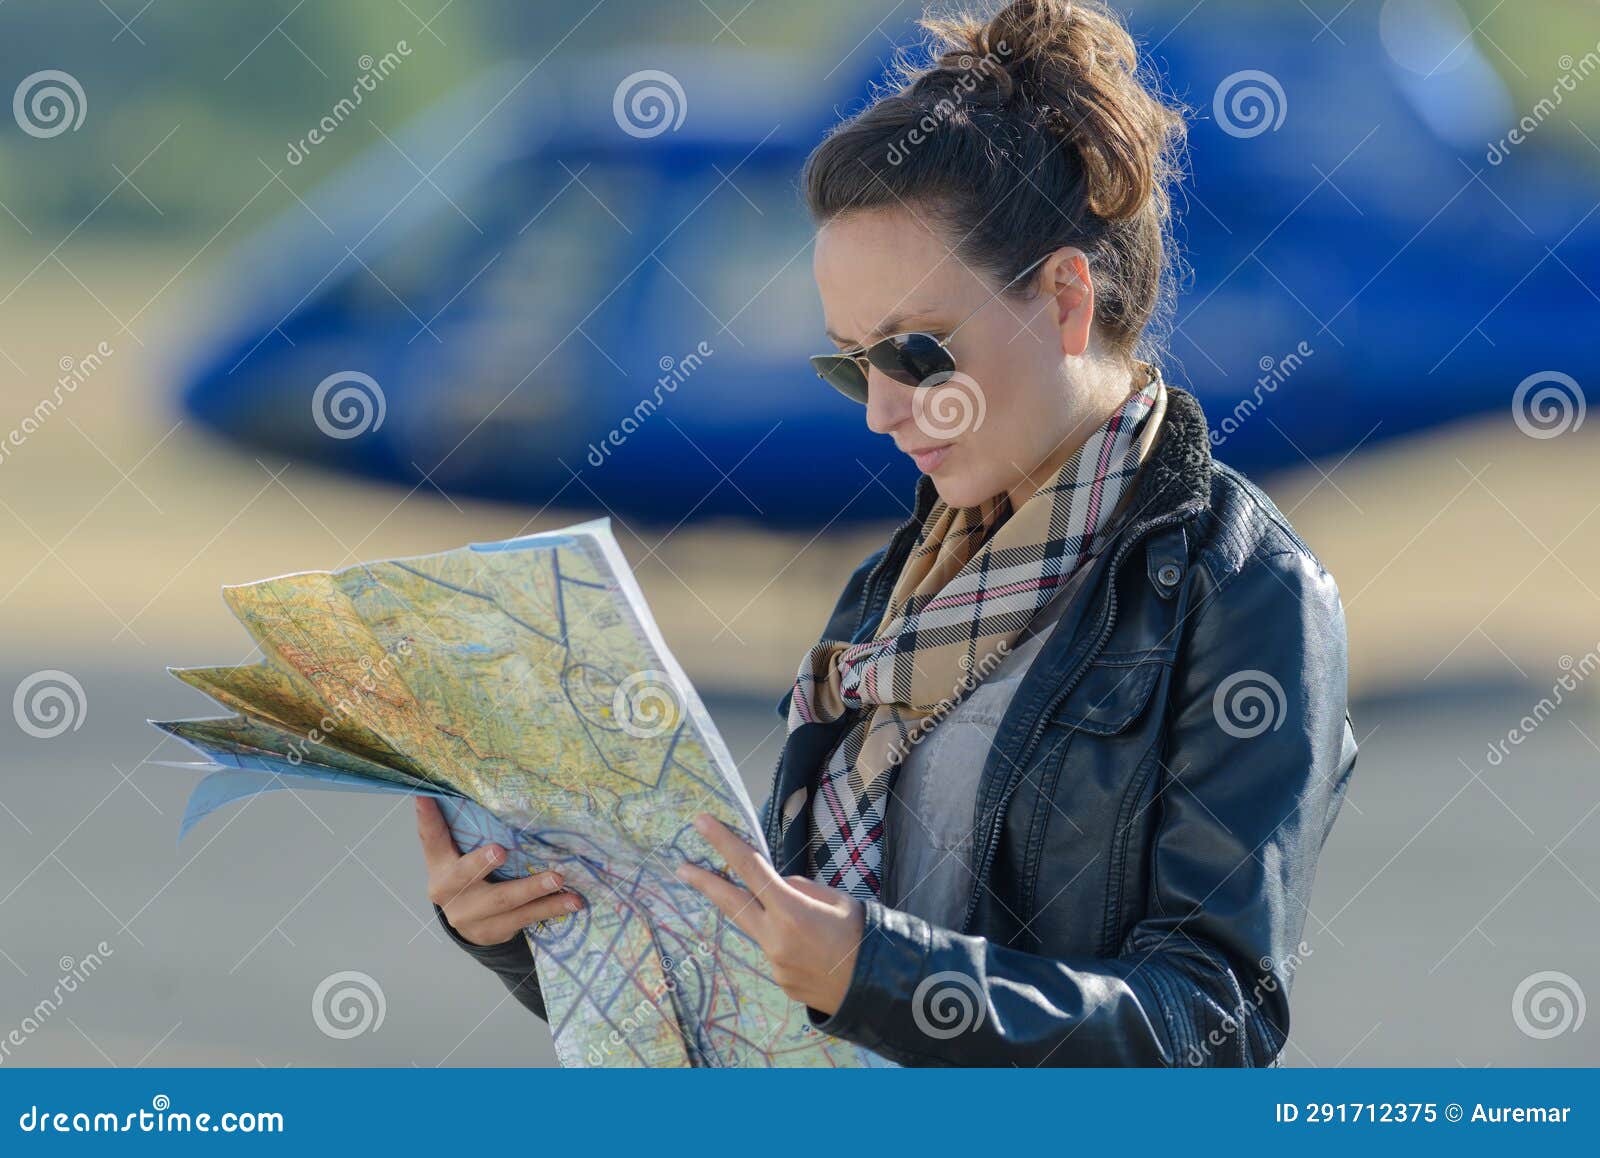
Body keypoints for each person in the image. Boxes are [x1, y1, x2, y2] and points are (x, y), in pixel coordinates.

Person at [417, 0, 1358, 1066]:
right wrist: (528, 925)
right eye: (849, 362)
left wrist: (878, 976)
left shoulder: (1243, 588)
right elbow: (761, 998)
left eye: (914, 353)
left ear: (1062, 300)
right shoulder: (891, 589)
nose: (877, 409)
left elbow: (1210, 1030)